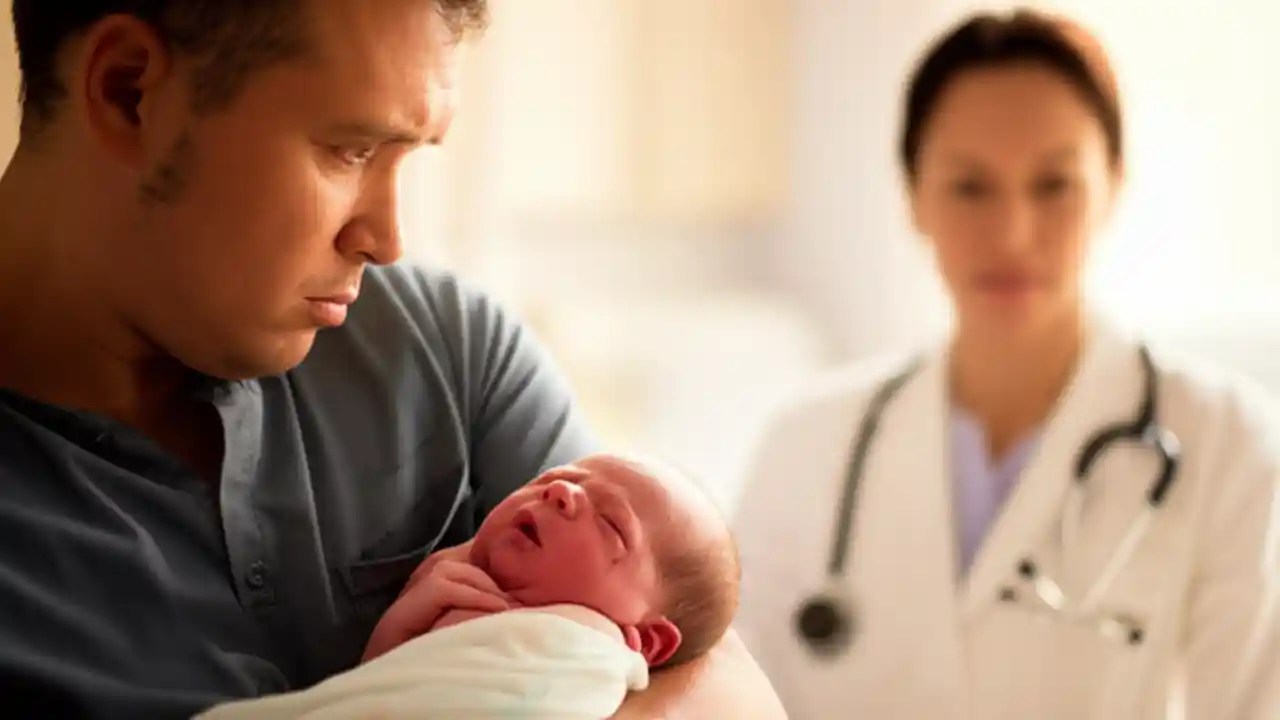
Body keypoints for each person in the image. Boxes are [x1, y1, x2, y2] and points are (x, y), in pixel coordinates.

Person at [0, 1, 784, 718]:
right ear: (128, 90)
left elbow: (708, 677)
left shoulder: (448, 347)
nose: (387, 239)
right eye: (351, 150)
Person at [733, 8, 1280, 720]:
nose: (1012, 232)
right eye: (970, 187)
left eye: (1053, 186)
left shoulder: (1231, 441)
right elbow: (730, 694)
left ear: (1112, 187)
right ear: (914, 196)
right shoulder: (806, 442)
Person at [197, 453, 740, 718]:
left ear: (644, 640)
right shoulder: (443, 599)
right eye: (555, 479)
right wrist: (390, 647)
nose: (561, 495)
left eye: (610, 523)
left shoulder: (587, 646)